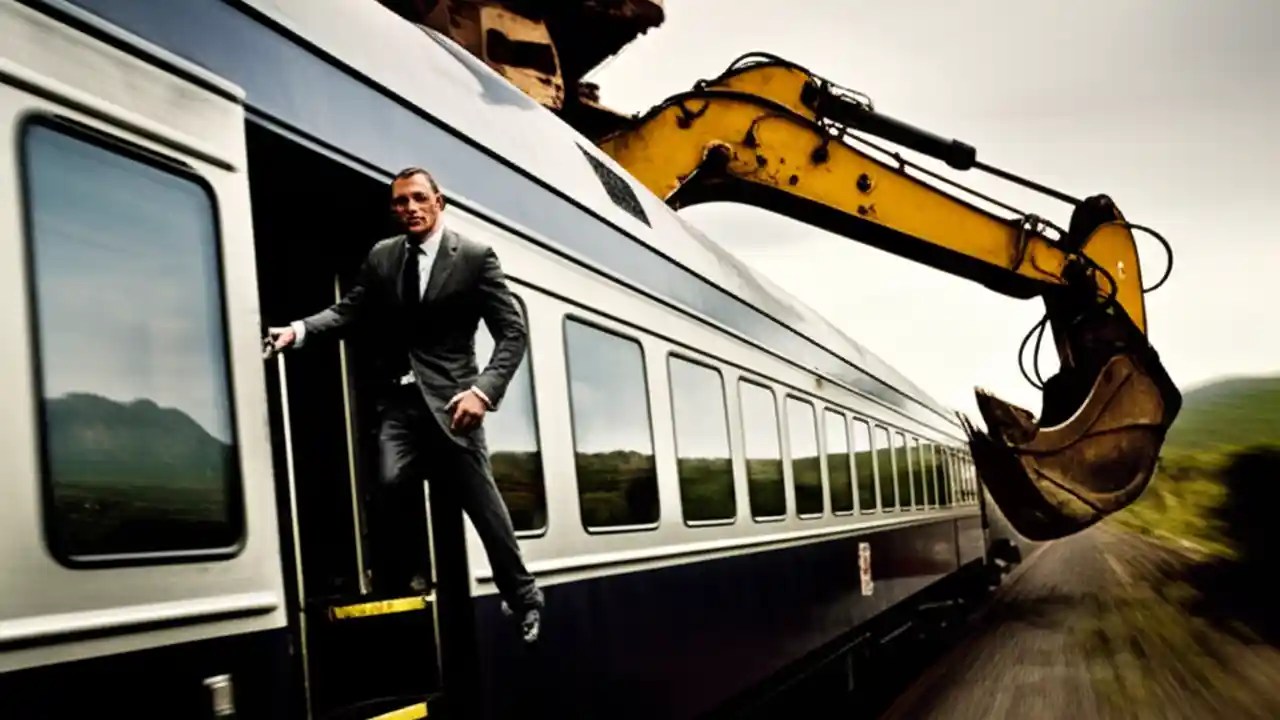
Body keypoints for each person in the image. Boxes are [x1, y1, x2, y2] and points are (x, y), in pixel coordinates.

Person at [266, 166, 543, 643]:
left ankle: (524, 599)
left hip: (455, 405)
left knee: (485, 510)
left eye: (418, 199)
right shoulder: (383, 257)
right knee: (388, 482)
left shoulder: (475, 257)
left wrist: (482, 391)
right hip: (401, 402)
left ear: (439, 203)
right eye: (400, 202)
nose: (409, 208)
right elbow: (349, 310)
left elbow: (512, 332)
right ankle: (404, 580)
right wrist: (299, 330)